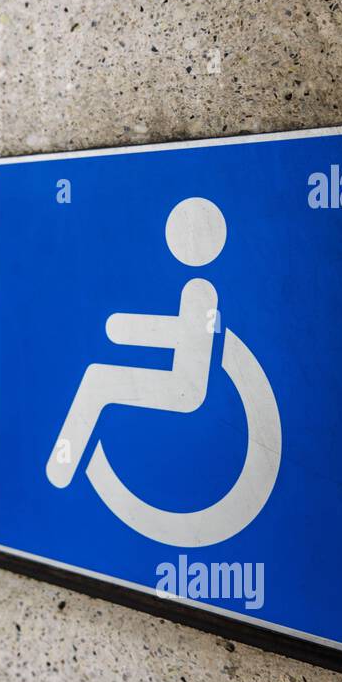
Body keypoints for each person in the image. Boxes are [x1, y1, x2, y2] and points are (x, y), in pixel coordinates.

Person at [46, 197, 227, 489]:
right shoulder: (199, 287)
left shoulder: (200, 289)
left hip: (184, 387)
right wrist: (122, 328)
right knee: (97, 378)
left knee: (97, 379)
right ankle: (63, 464)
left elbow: (189, 340)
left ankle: (62, 466)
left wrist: (121, 327)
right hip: (181, 380)